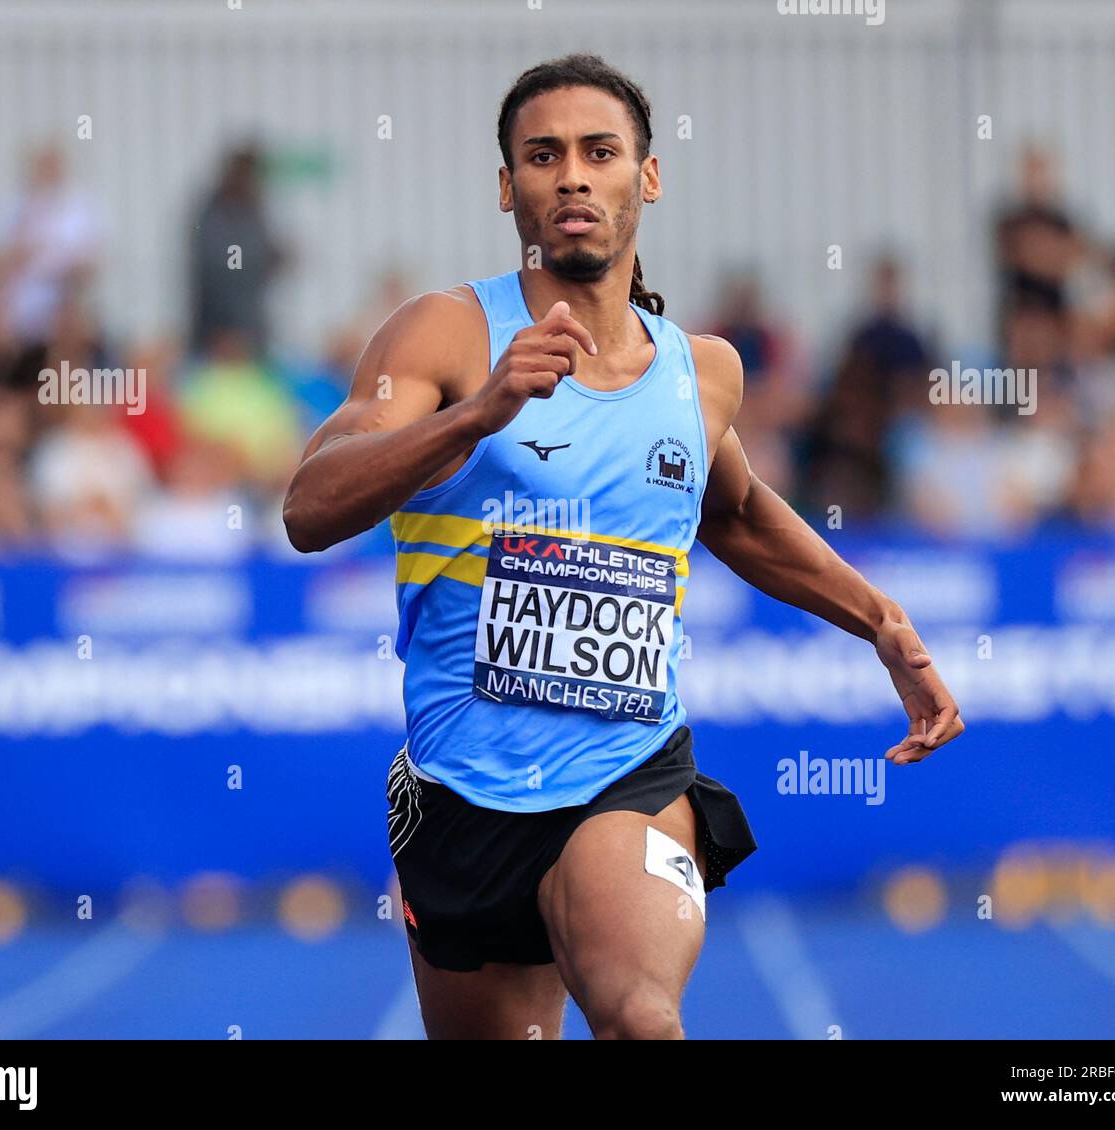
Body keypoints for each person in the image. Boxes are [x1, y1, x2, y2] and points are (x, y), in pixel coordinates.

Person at [282, 54, 965, 1040]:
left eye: (599, 152)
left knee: (641, 1017)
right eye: (543, 154)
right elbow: (310, 505)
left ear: (645, 177)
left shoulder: (704, 372)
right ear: (506, 184)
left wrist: (881, 619)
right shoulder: (445, 332)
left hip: (629, 772)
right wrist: (476, 414)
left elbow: (731, 511)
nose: (571, 175)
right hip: (463, 792)